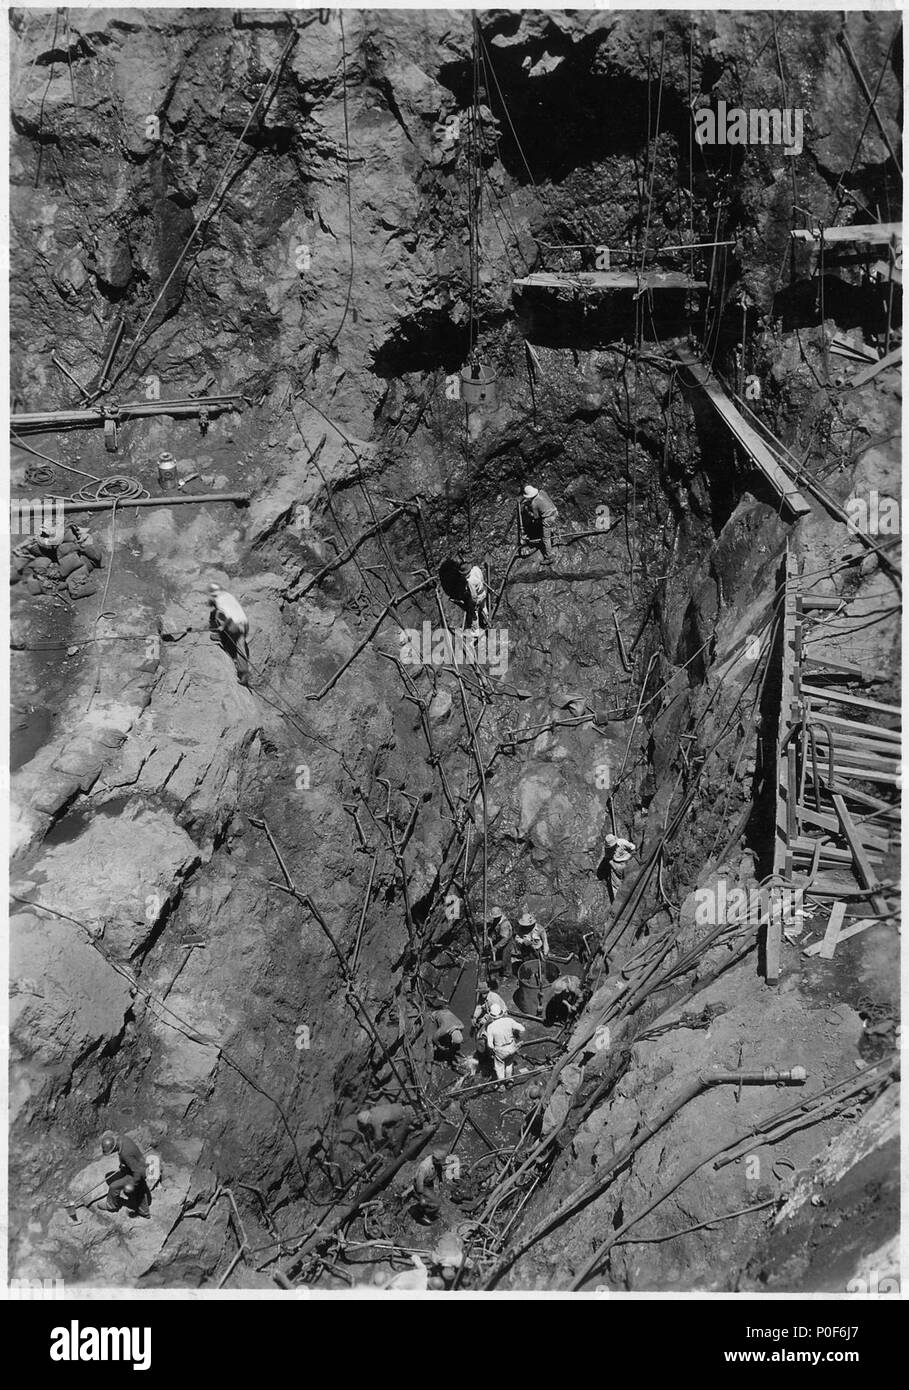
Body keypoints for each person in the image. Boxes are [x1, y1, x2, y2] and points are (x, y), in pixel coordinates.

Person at [100, 1131, 150, 1218]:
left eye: (111, 1151)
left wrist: (133, 1184)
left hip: (138, 1172)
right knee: (139, 1190)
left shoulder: (126, 1154)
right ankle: (144, 1212)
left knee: (114, 1186)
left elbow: (137, 1172)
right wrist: (123, 1164)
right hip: (138, 1165)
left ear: (114, 1147)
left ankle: (111, 1206)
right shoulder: (122, 1139)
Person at [208, 581, 250, 684]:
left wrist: (222, 627)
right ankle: (244, 674)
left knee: (219, 615)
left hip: (235, 625)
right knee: (240, 649)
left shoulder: (219, 601)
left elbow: (229, 616)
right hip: (245, 624)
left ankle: (222, 636)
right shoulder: (227, 595)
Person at [520, 485, 559, 564]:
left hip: (548, 519)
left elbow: (536, 517)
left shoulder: (534, 504)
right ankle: (555, 537)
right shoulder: (542, 492)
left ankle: (549, 557)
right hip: (555, 512)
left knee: (546, 538)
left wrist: (528, 511)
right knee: (551, 526)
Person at [485, 1013, 526, 1082]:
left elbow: (490, 1044)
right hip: (511, 1047)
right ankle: (509, 1081)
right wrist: (516, 1034)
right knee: (509, 1064)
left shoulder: (490, 1027)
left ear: (492, 1016)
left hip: (500, 1049)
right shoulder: (508, 1020)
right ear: (501, 1014)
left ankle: (501, 1084)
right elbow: (522, 1028)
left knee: (499, 1068)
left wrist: (493, 1051)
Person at [413, 1148, 448, 1224]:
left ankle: (426, 1209)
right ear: (436, 1160)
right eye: (440, 1162)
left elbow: (439, 1169)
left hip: (428, 1182)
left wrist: (440, 1180)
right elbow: (419, 1182)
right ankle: (423, 1215)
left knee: (430, 1200)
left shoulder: (436, 1162)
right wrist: (421, 1196)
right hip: (422, 1185)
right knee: (436, 1203)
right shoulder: (425, 1167)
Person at [602, 832, 637, 902]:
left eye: (613, 846)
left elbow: (633, 849)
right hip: (617, 864)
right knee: (616, 885)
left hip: (628, 862)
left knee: (632, 882)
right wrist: (615, 868)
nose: (612, 848)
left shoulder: (622, 842)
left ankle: (633, 899)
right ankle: (618, 904)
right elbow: (609, 859)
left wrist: (630, 861)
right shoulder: (607, 849)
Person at [459, 558, 490, 634]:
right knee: (484, 607)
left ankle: (475, 630)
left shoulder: (470, 581)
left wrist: (473, 604)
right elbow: (482, 580)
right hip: (483, 592)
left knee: (474, 613)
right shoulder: (476, 569)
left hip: (478, 596)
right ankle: (487, 620)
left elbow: (474, 595)